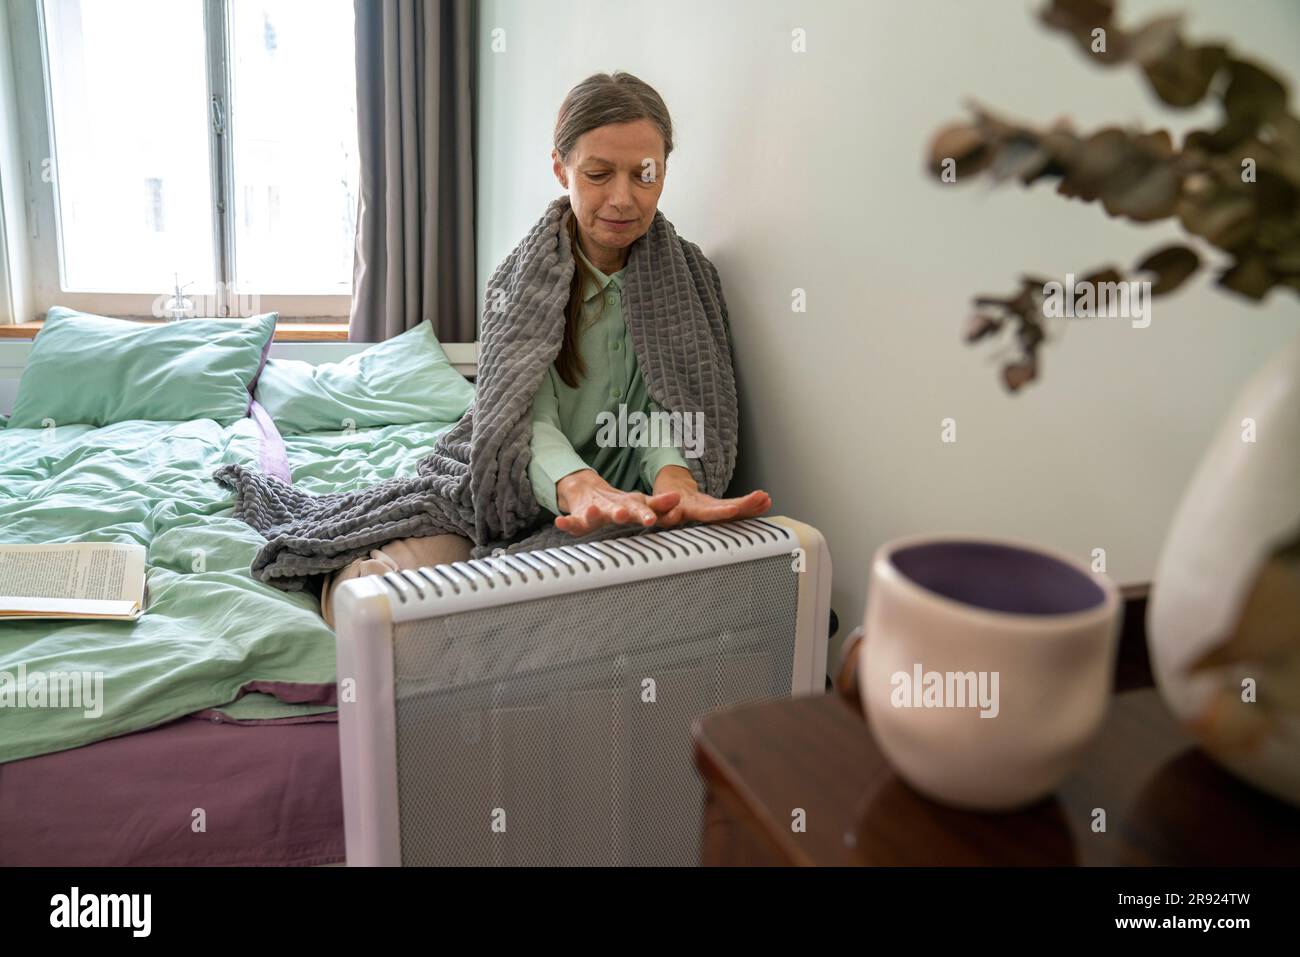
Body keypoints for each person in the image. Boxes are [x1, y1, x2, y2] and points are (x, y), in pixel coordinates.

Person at [320, 72, 770, 627]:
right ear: (561, 168)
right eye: (598, 174)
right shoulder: (518, 282)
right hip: (509, 483)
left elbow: (663, 405)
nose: (623, 199)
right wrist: (579, 487)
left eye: (644, 175)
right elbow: (524, 418)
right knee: (379, 605)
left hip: (624, 503)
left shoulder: (690, 277)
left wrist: (675, 483)